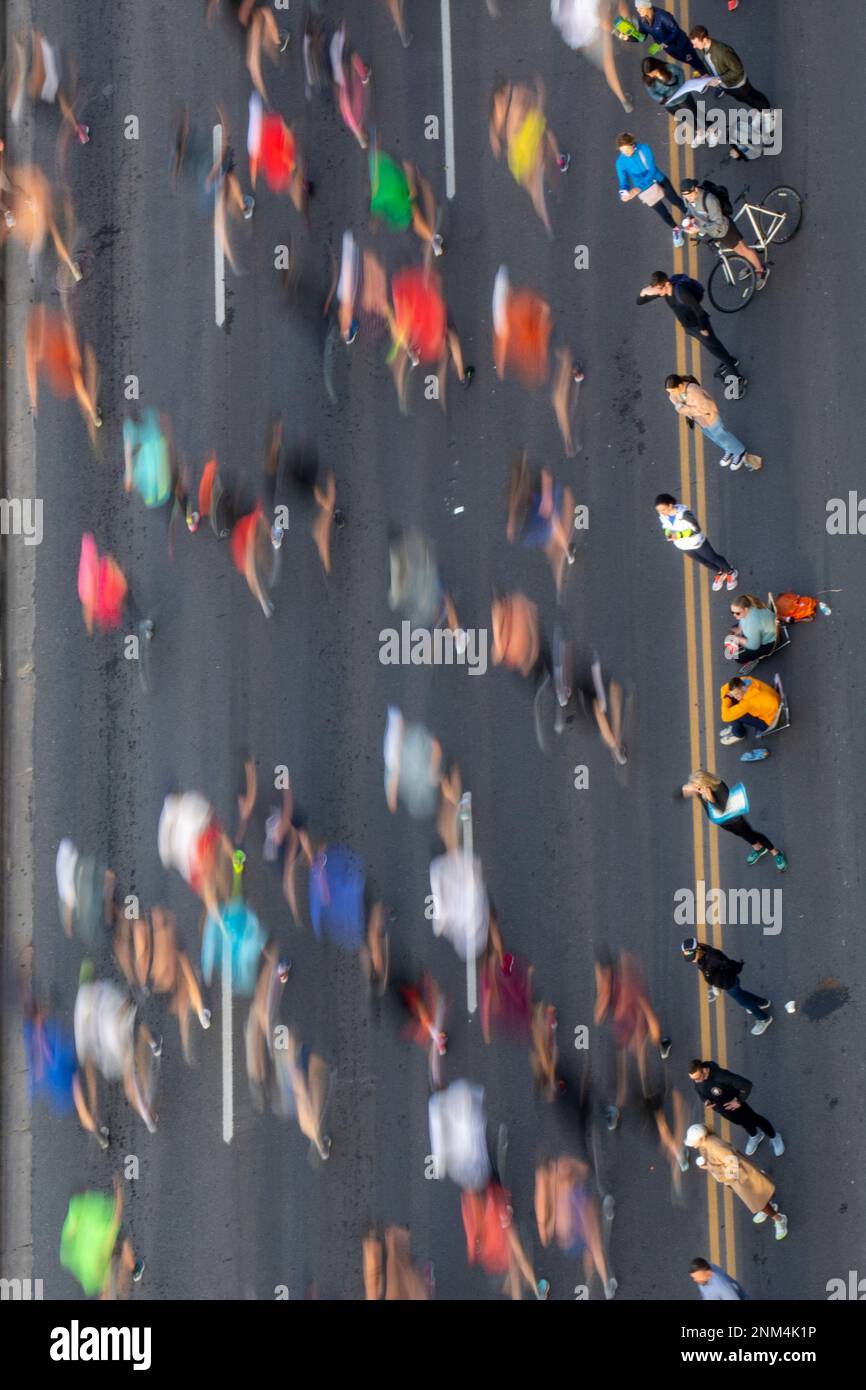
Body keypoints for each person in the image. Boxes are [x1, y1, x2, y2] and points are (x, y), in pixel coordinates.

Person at [489, 78, 570, 236]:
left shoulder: (496, 113)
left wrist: (501, 149)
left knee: (533, 187)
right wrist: (540, 93)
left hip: (517, 153)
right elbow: (537, 102)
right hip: (530, 134)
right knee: (547, 133)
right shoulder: (517, 92)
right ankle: (560, 165)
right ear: (505, 89)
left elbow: (495, 142)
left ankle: (547, 223)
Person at [638, 272, 745, 385]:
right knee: (714, 348)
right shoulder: (663, 291)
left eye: (658, 289)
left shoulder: (682, 293)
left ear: (667, 284)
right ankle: (730, 360)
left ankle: (738, 378)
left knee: (717, 349)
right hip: (689, 326)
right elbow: (639, 301)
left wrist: (703, 330)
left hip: (699, 326)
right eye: (655, 289)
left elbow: (700, 312)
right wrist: (644, 291)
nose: (657, 292)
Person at [685, 1124, 788, 1240]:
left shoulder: (714, 1146)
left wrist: (727, 1179)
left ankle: (779, 1219)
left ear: (701, 1138)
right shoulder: (704, 1145)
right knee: (757, 1199)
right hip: (733, 1179)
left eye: (693, 1141)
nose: (692, 1145)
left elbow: (732, 1163)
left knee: (756, 1200)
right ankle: (769, 1208)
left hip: (740, 1177)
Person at [680, 769, 788, 870]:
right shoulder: (699, 790)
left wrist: (710, 798)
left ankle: (776, 853)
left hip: (734, 819)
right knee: (741, 834)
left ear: (705, 783)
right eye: (693, 785)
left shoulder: (719, 787)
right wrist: (685, 789)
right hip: (722, 822)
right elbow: (679, 795)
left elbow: (722, 809)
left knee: (751, 834)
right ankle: (759, 848)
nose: (694, 788)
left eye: (696, 785)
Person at [688, 1058, 784, 1156]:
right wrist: (706, 1101)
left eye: (697, 1078)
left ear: (704, 1070)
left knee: (755, 1119)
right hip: (726, 1112)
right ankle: (755, 1136)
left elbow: (746, 1085)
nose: (696, 1081)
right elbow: (700, 1091)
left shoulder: (721, 1076)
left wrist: (738, 1101)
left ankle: (774, 1136)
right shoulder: (698, 1080)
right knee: (743, 1122)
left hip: (738, 1107)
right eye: (693, 1079)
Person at [664, 374, 759, 472]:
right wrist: (683, 408)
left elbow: (705, 408)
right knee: (715, 438)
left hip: (709, 417)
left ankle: (740, 452)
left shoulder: (693, 391)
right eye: (669, 392)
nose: (671, 394)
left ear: (680, 386)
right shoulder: (675, 394)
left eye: (672, 391)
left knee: (722, 435)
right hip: (701, 421)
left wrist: (683, 409)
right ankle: (730, 450)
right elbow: (674, 400)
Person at [680, 179, 766, 284]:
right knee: (738, 251)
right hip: (712, 232)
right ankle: (752, 264)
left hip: (725, 230)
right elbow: (689, 210)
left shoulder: (710, 200)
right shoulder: (687, 199)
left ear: (695, 189)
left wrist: (699, 229)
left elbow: (719, 223)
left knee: (743, 250)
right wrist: (689, 218)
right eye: (684, 196)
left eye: (689, 195)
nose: (687, 198)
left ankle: (760, 270)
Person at [681, 939, 774, 1035]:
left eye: (693, 957)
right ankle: (763, 1002)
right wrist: (714, 984)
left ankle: (764, 1019)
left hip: (729, 983)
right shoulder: (703, 955)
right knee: (741, 994)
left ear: (698, 949)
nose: (693, 960)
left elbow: (728, 964)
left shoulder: (713, 958)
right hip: (725, 982)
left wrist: (719, 982)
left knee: (744, 1003)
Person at [654, 494, 738, 592]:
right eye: (659, 511)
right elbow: (665, 526)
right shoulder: (663, 516)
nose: (661, 513)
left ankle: (730, 572)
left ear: (670, 505)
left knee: (713, 558)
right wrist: (667, 533)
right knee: (703, 561)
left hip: (697, 543)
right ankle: (720, 573)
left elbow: (696, 529)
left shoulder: (684, 514)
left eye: (663, 509)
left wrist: (679, 535)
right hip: (683, 546)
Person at [615, 133, 685, 245]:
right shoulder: (620, 162)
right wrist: (623, 193)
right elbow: (623, 181)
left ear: (632, 144)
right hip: (646, 191)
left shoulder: (644, 149)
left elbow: (652, 170)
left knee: (675, 201)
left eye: (627, 150)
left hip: (659, 180)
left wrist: (638, 188)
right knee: (663, 213)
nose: (625, 154)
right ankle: (676, 229)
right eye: (622, 151)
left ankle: (692, 217)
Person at [688, 25, 773, 113]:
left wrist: (719, 80)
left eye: (696, 43)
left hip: (738, 85)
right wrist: (708, 75)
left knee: (752, 97)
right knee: (745, 100)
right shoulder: (703, 49)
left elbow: (738, 70)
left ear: (705, 40)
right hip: (726, 85)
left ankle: (768, 113)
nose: (694, 46)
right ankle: (760, 110)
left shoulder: (722, 51)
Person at [621, 4, 708, 73]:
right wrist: (628, 38)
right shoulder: (642, 21)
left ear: (647, 6)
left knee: (693, 60)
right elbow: (642, 37)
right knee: (687, 61)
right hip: (669, 49)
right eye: (637, 8)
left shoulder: (663, 16)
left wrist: (664, 43)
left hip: (682, 45)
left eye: (640, 8)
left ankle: (706, 74)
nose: (638, 11)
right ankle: (702, 70)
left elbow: (675, 30)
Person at [640, 58, 706, 141]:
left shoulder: (670, 68)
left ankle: (712, 126)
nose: (651, 75)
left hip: (682, 97)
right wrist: (661, 99)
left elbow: (681, 73)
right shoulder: (648, 79)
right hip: (669, 104)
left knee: (696, 112)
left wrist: (681, 88)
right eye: (648, 74)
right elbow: (652, 93)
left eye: (652, 72)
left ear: (657, 66)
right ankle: (700, 131)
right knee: (684, 117)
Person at [720, 674, 781, 752]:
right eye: (733, 694)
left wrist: (727, 698)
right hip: (771, 705)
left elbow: (725, 717)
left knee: (735, 714)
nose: (735, 697)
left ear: (743, 688)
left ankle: (738, 734)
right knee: (733, 707)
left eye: (737, 694)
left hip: (768, 722)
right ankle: (735, 726)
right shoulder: (746, 680)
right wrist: (729, 696)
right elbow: (723, 689)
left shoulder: (747, 703)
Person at [728, 593, 777, 662]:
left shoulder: (753, 624)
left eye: (737, 613)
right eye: (732, 612)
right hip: (766, 627)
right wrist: (739, 629)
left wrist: (739, 639)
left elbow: (754, 646)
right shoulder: (751, 605)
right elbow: (742, 620)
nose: (734, 615)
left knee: (738, 658)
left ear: (746, 609)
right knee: (733, 630)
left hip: (770, 642)